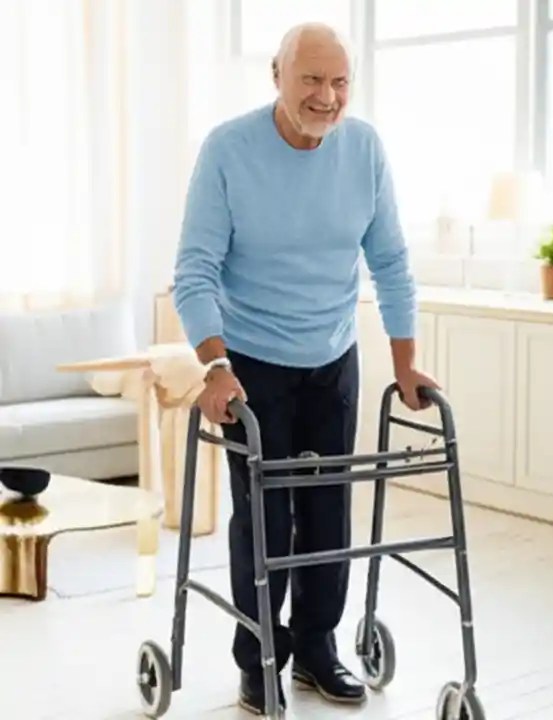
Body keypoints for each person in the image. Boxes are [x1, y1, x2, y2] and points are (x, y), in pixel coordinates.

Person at [172, 22, 438, 716]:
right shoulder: (229, 150)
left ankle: (318, 647)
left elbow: (391, 261)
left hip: (331, 357)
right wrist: (216, 365)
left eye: (340, 81)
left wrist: (407, 363)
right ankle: (259, 654)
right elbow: (195, 272)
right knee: (264, 511)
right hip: (251, 362)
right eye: (311, 80)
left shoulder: (365, 149)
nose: (327, 96)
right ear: (277, 77)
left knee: (326, 507)